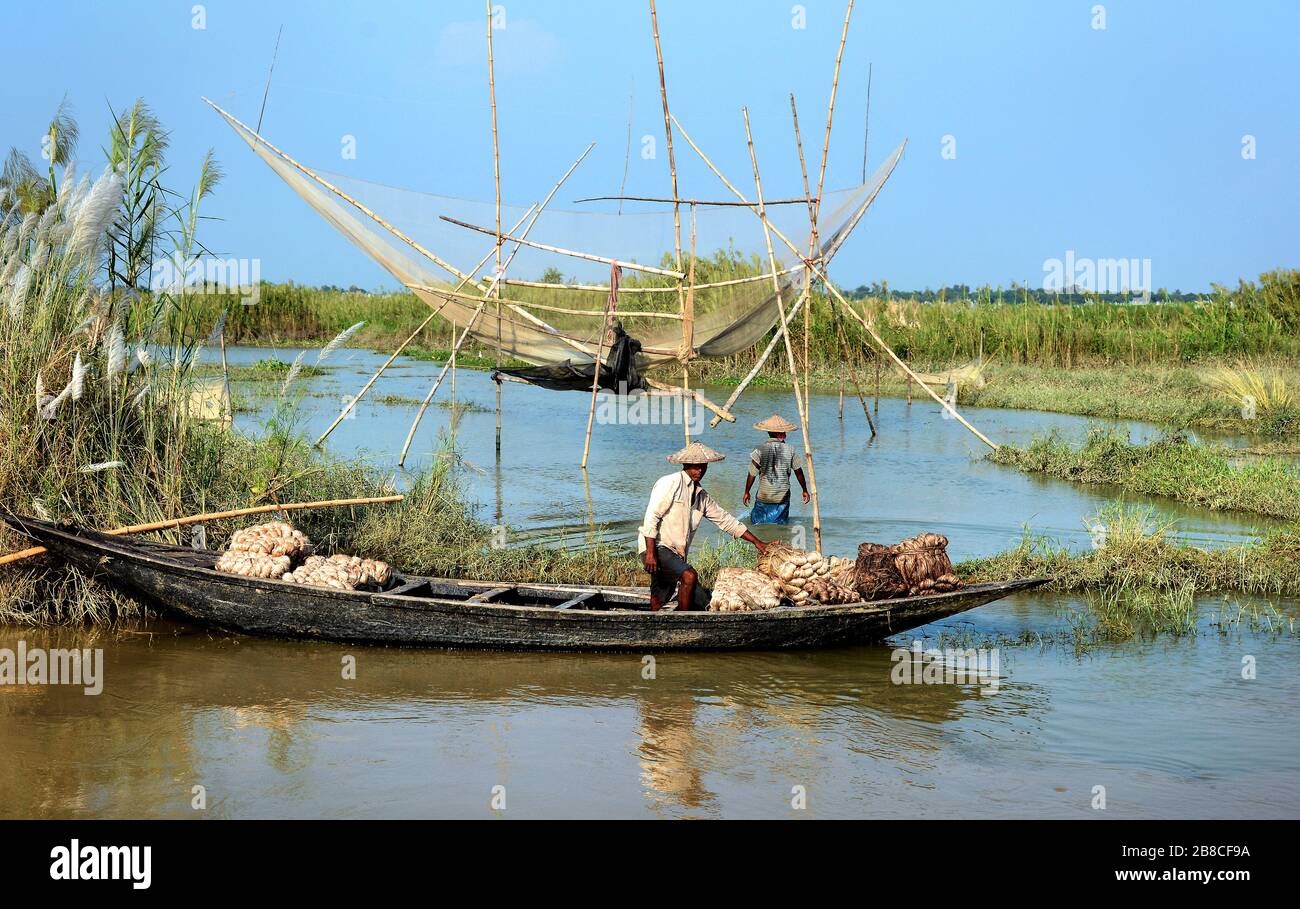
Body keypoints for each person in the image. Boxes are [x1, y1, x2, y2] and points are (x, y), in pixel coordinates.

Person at [639, 441, 768, 612]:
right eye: (694, 466)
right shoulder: (670, 483)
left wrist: (757, 543)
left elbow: (726, 520)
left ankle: (655, 624)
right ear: (686, 465)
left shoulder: (701, 496)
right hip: (657, 547)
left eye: (702, 467)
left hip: (675, 554)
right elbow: (651, 517)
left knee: (672, 599)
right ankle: (685, 623)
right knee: (689, 576)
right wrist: (650, 553)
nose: (699, 471)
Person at [742, 414, 809, 525]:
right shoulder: (790, 449)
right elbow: (799, 472)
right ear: (780, 434)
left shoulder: (759, 449)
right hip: (782, 497)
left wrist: (747, 492)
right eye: (784, 432)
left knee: (758, 525)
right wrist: (804, 490)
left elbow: (752, 473)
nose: (785, 434)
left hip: (764, 496)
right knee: (780, 526)